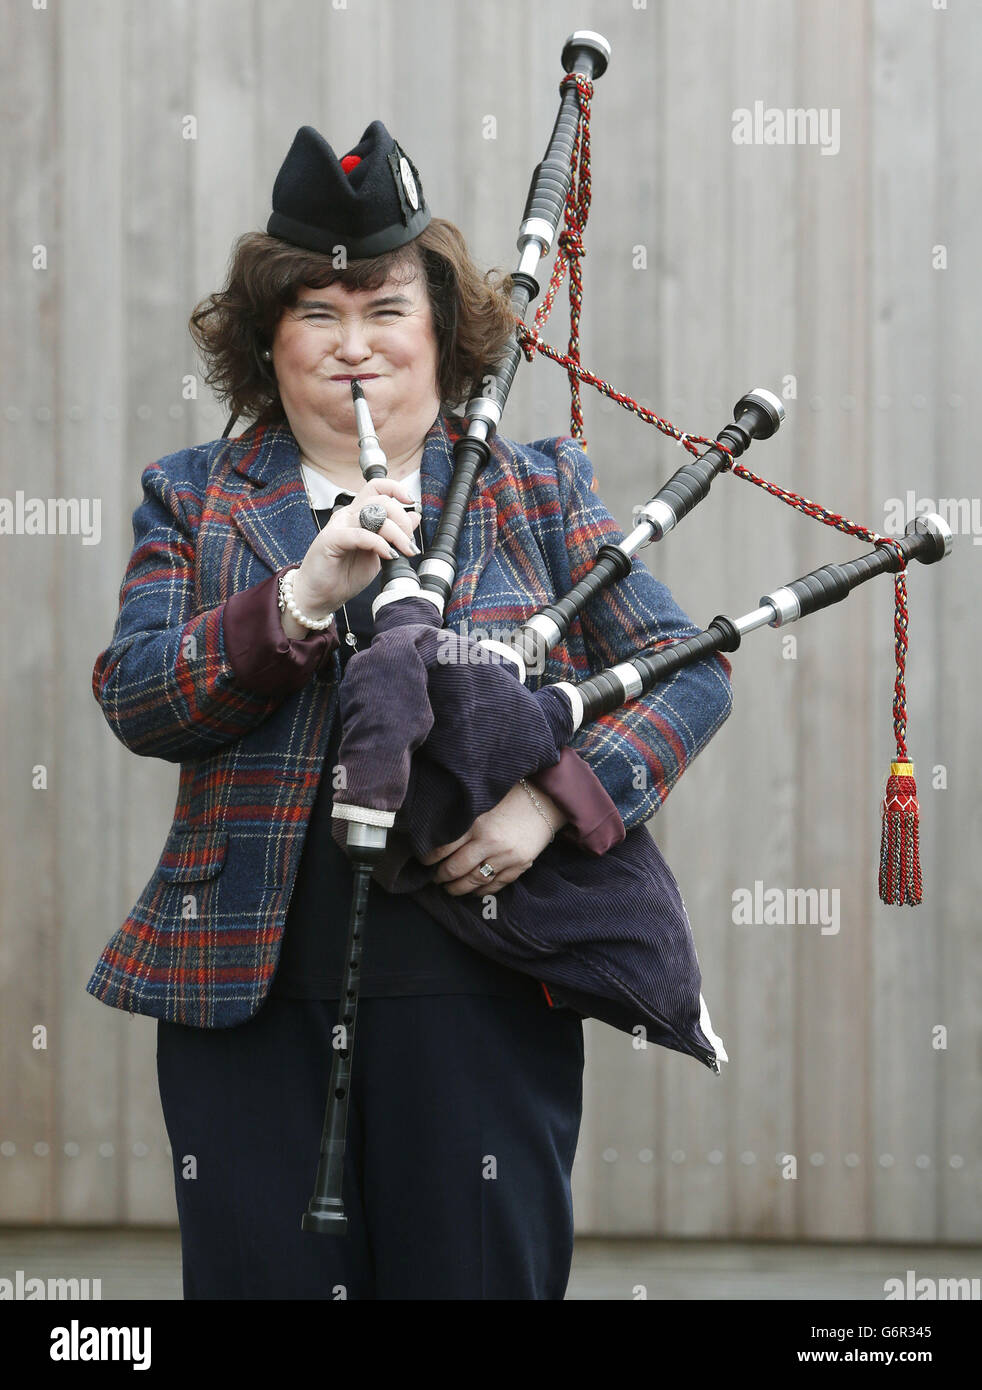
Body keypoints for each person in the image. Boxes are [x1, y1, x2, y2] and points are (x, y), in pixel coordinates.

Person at [87, 121, 733, 1300]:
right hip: (250, 997)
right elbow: (136, 694)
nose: (352, 346)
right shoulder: (194, 495)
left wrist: (552, 803)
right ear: (267, 342)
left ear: (441, 330)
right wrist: (295, 598)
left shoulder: (537, 486)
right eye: (315, 314)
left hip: (478, 985)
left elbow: (689, 667)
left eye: (384, 308)